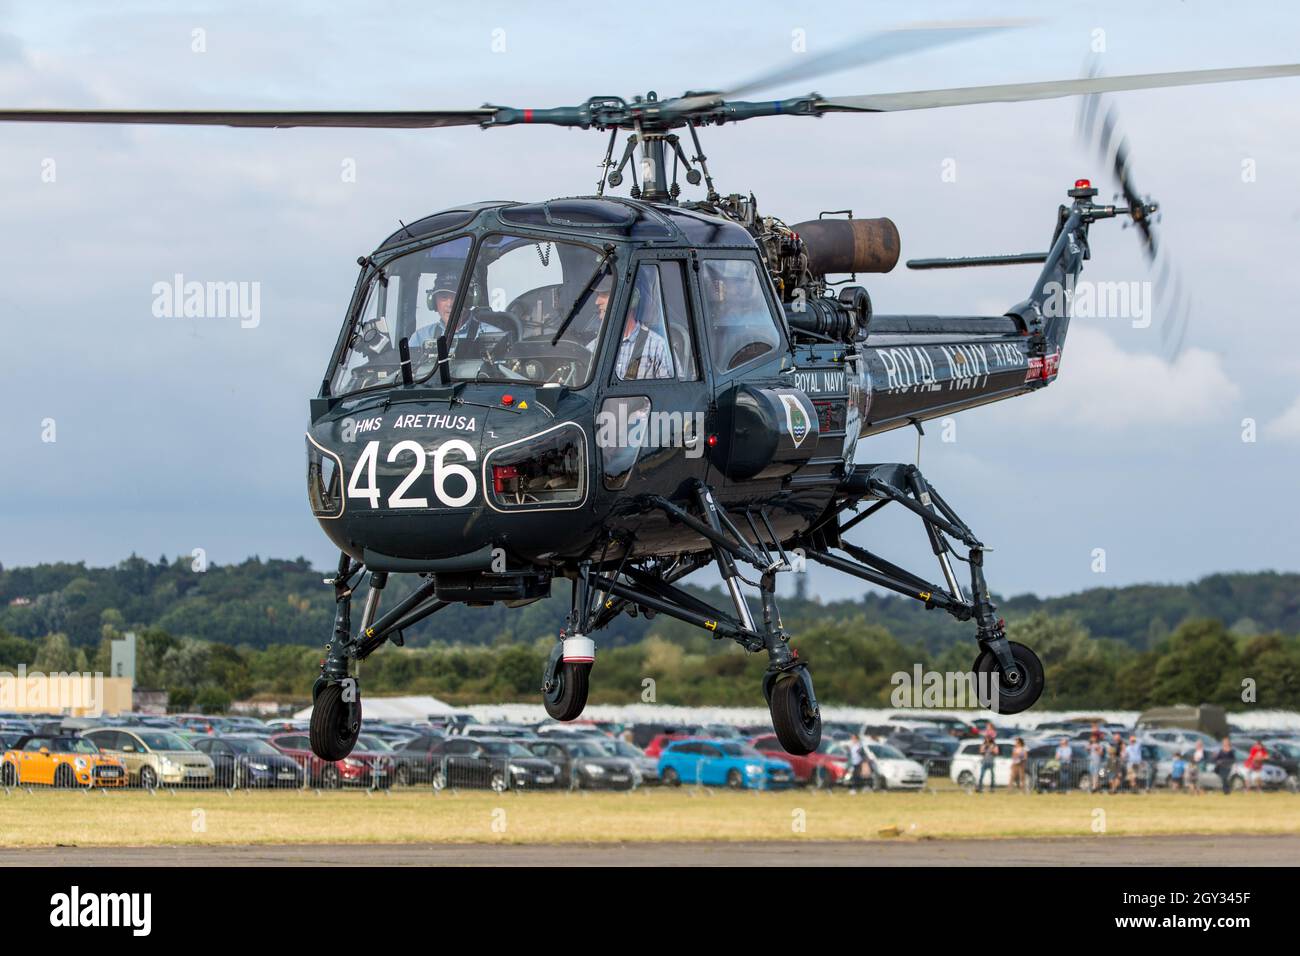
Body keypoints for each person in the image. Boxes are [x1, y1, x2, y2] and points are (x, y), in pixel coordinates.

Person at [614, 270, 673, 380]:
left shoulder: (658, 347)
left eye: (604, 294)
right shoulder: (594, 348)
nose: (597, 302)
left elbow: (674, 393)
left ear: (632, 299)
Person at [410, 271, 459, 350]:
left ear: (468, 301)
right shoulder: (420, 337)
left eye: (456, 297)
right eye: (444, 297)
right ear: (433, 302)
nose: (450, 304)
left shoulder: (485, 332)